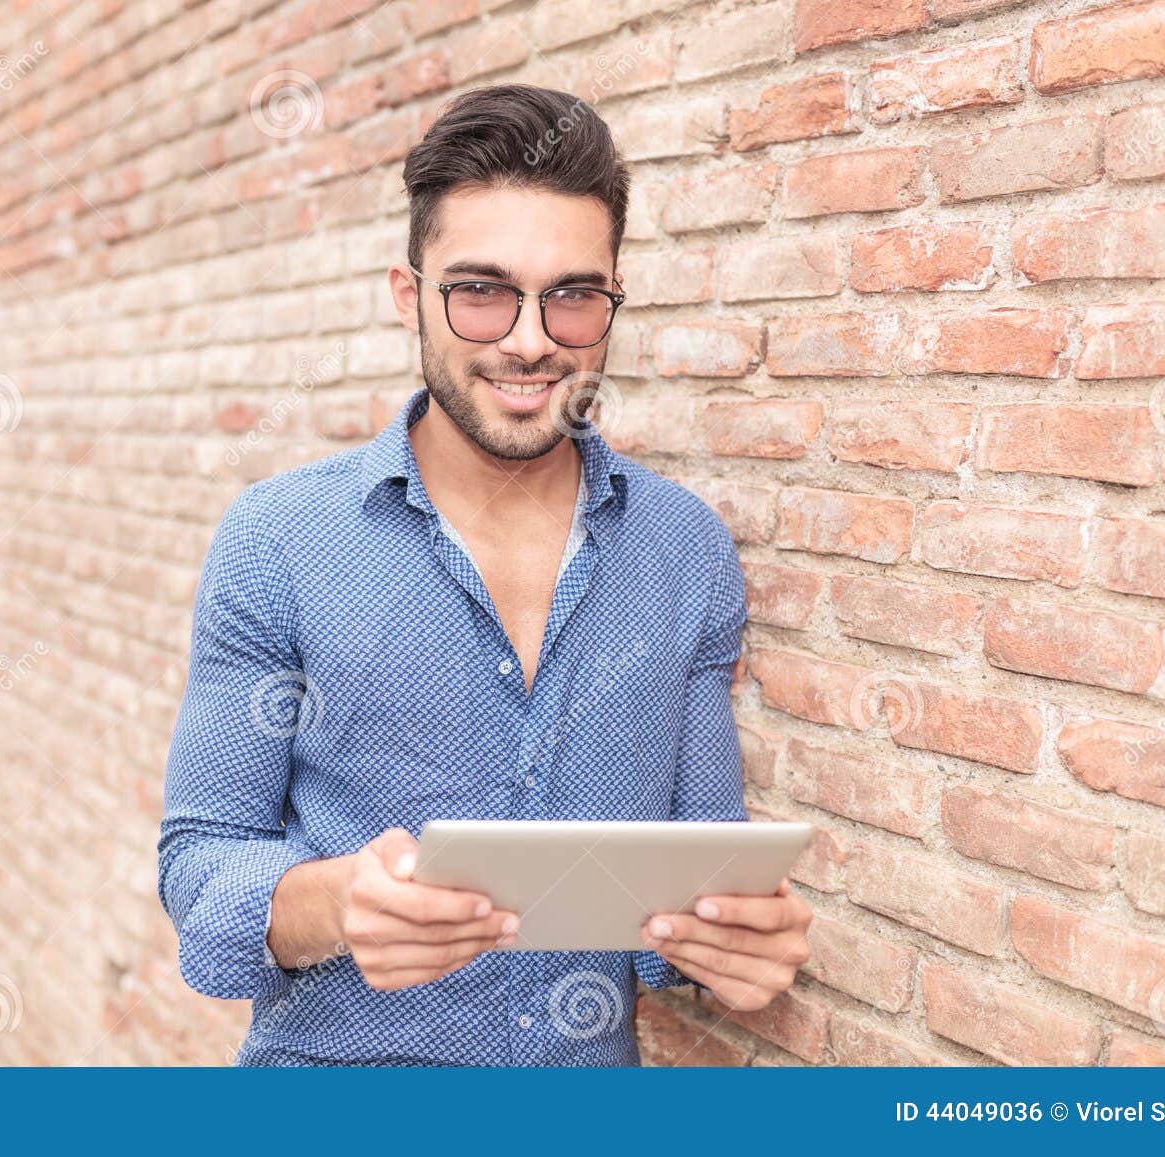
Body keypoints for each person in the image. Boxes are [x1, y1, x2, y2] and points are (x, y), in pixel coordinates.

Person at [157, 82, 811, 1066]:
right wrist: (332, 902)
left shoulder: (684, 549)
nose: (529, 337)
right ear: (406, 296)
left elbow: (693, 872)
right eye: (480, 290)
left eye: (573, 295)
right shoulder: (277, 540)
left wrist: (732, 941)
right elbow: (203, 866)